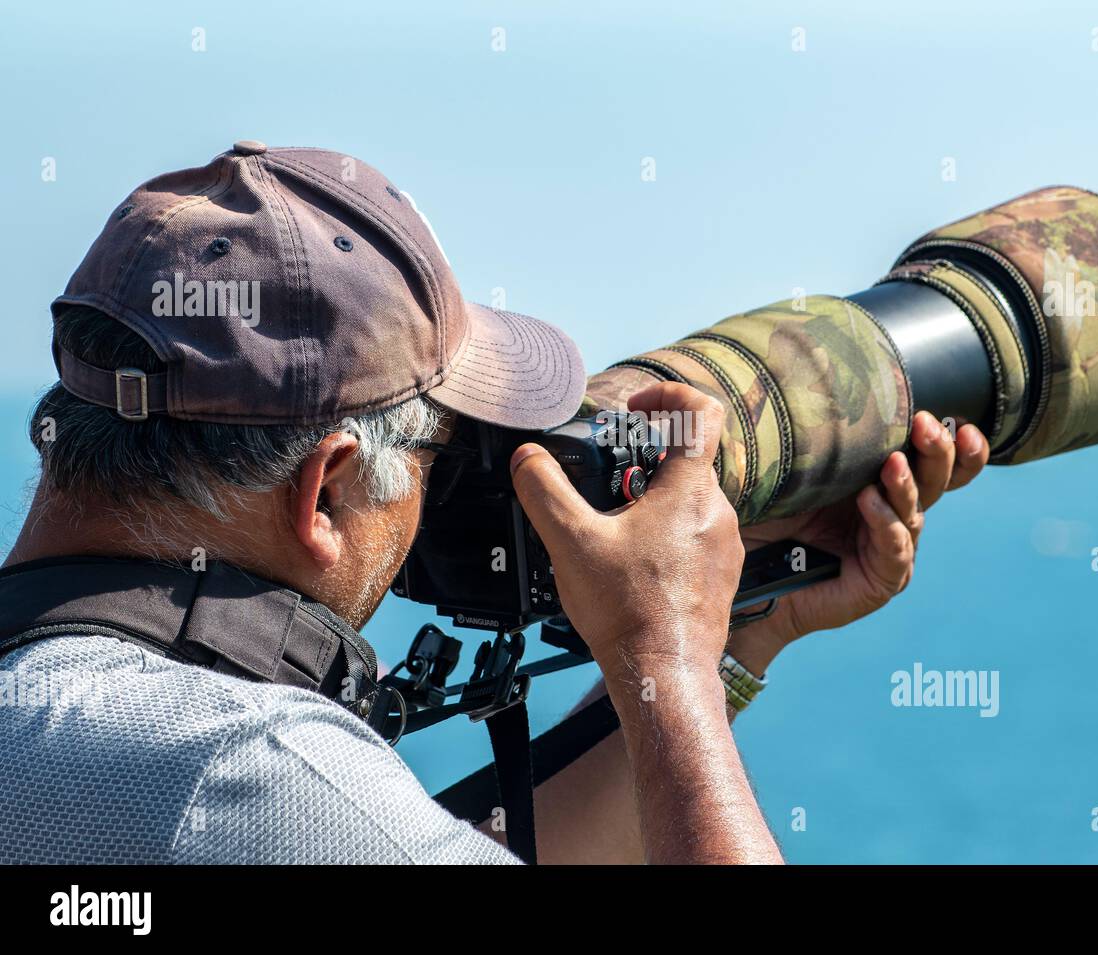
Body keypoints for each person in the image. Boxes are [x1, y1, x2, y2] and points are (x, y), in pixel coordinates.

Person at [0, 143, 987, 865]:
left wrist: (734, 635)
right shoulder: (247, 773)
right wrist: (667, 663)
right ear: (327, 490)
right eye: (438, 450)